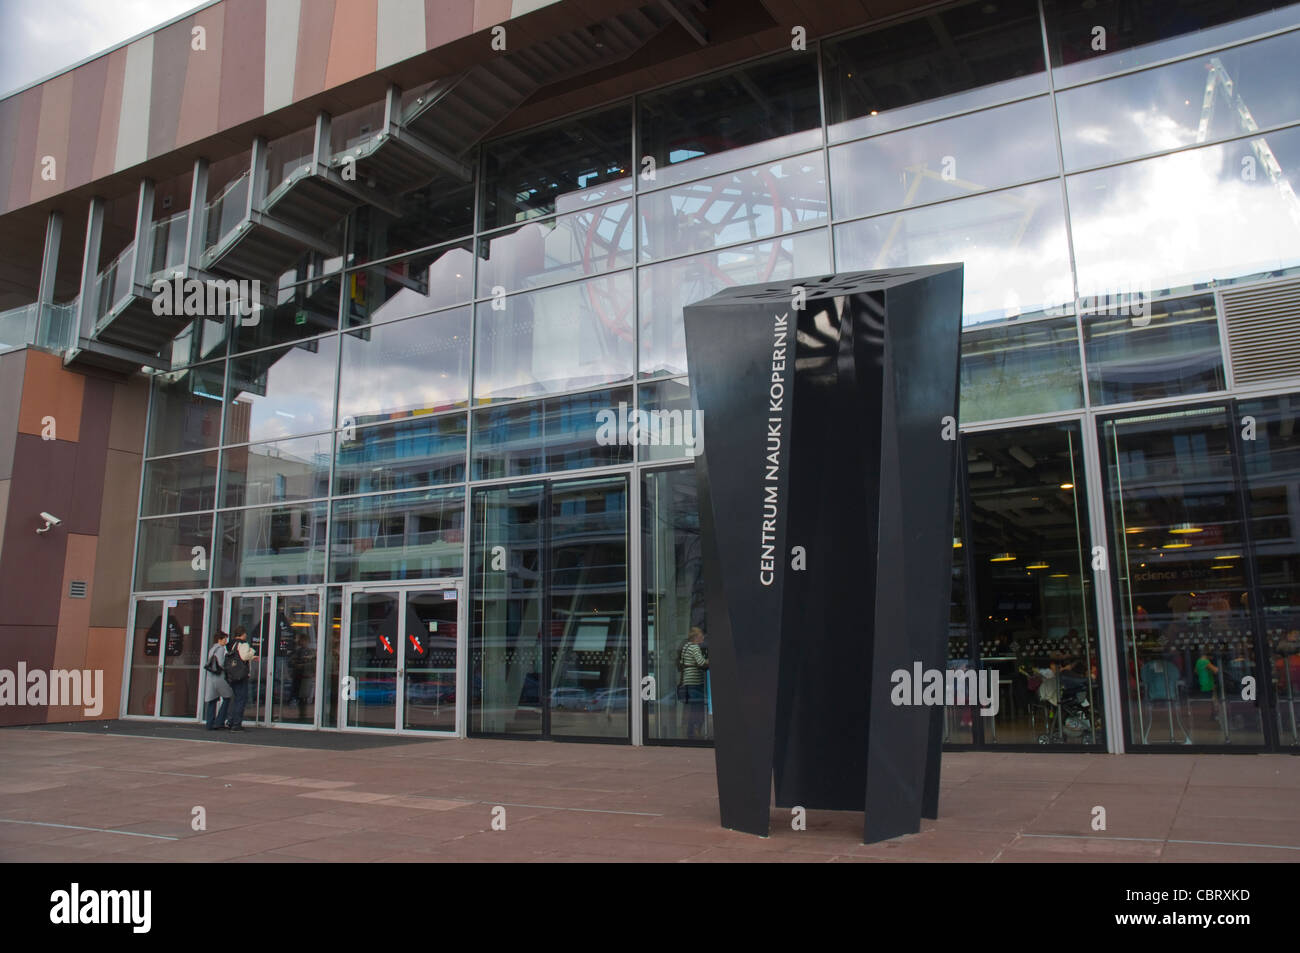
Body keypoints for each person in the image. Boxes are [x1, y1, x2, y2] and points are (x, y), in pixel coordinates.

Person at [225, 627, 258, 731]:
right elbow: (243, 657)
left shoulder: (231, 644)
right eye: (245, 634)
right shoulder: (243, 644)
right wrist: (252, 652)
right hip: (241, 675)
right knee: (241, 699)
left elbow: (237, 657)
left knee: (234, 698)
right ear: (243, 634)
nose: (246, 636)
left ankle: (230, 720)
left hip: (232, 674)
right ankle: (236, 723)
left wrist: (251, 658)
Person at [679, 626, 709, 740]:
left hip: (687, 681)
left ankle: (690, 732)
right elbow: (701, 662)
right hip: (695, 681)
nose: (703, 638)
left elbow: (682, 662)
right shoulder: (695, 647)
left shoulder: (686, 646)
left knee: (692, 708)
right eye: (701, 636)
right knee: (698, 708)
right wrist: (710, 660)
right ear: (696, 637)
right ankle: (694, 732)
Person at [203, 631, 233, 730]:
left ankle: (209, 723)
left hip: (210, 678)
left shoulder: (212, 649)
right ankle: (219, 721)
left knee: (212, 700)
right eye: (224, 639)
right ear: (219, 640)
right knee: (228, 697)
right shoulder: (220, 649)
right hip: (219, 678)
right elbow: (220, 664)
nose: (226, 641)